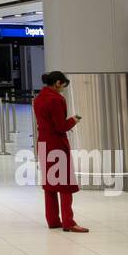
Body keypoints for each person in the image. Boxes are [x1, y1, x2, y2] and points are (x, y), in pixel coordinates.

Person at [32, 71, 87, 232]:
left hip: (43, 142)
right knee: (65, 185)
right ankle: (68, 222)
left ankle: (53, 220)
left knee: (50, 185)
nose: (63, 88)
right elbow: (60, 126)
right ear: (57, 83)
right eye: (63, 85)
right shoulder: (56, 99)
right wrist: (74, 120)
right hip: (56, 143)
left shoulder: (38, 98)